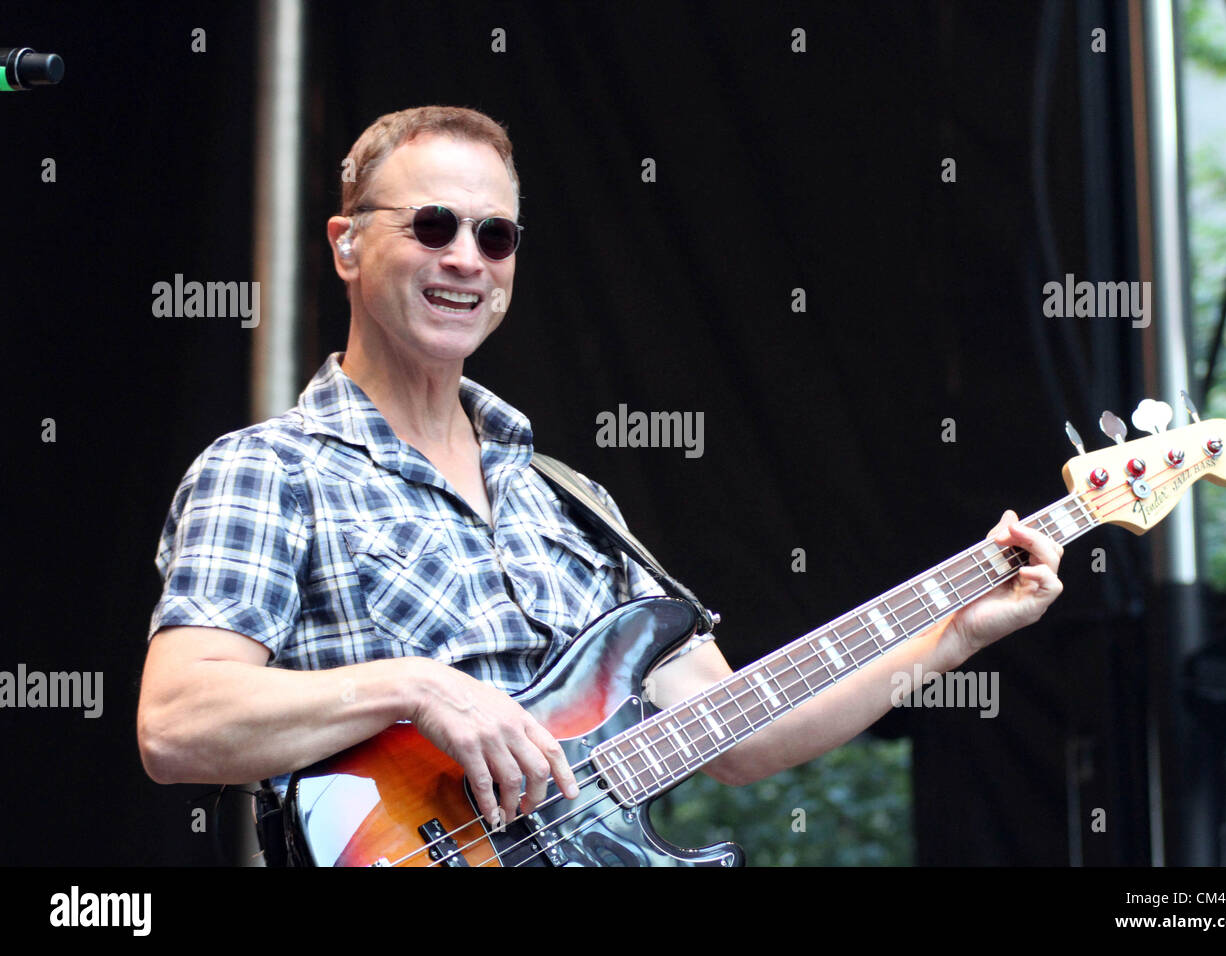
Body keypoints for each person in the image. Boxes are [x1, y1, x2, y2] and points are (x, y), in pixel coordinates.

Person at [137, 105, 1064, 839]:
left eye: (495, 236)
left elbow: (733, 729)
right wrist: (417, 686)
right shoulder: (268, 469)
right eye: (431, 225)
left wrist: (948, 638)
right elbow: (176, 724)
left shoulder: (570, 501)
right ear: (346, 244)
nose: (466, 257)